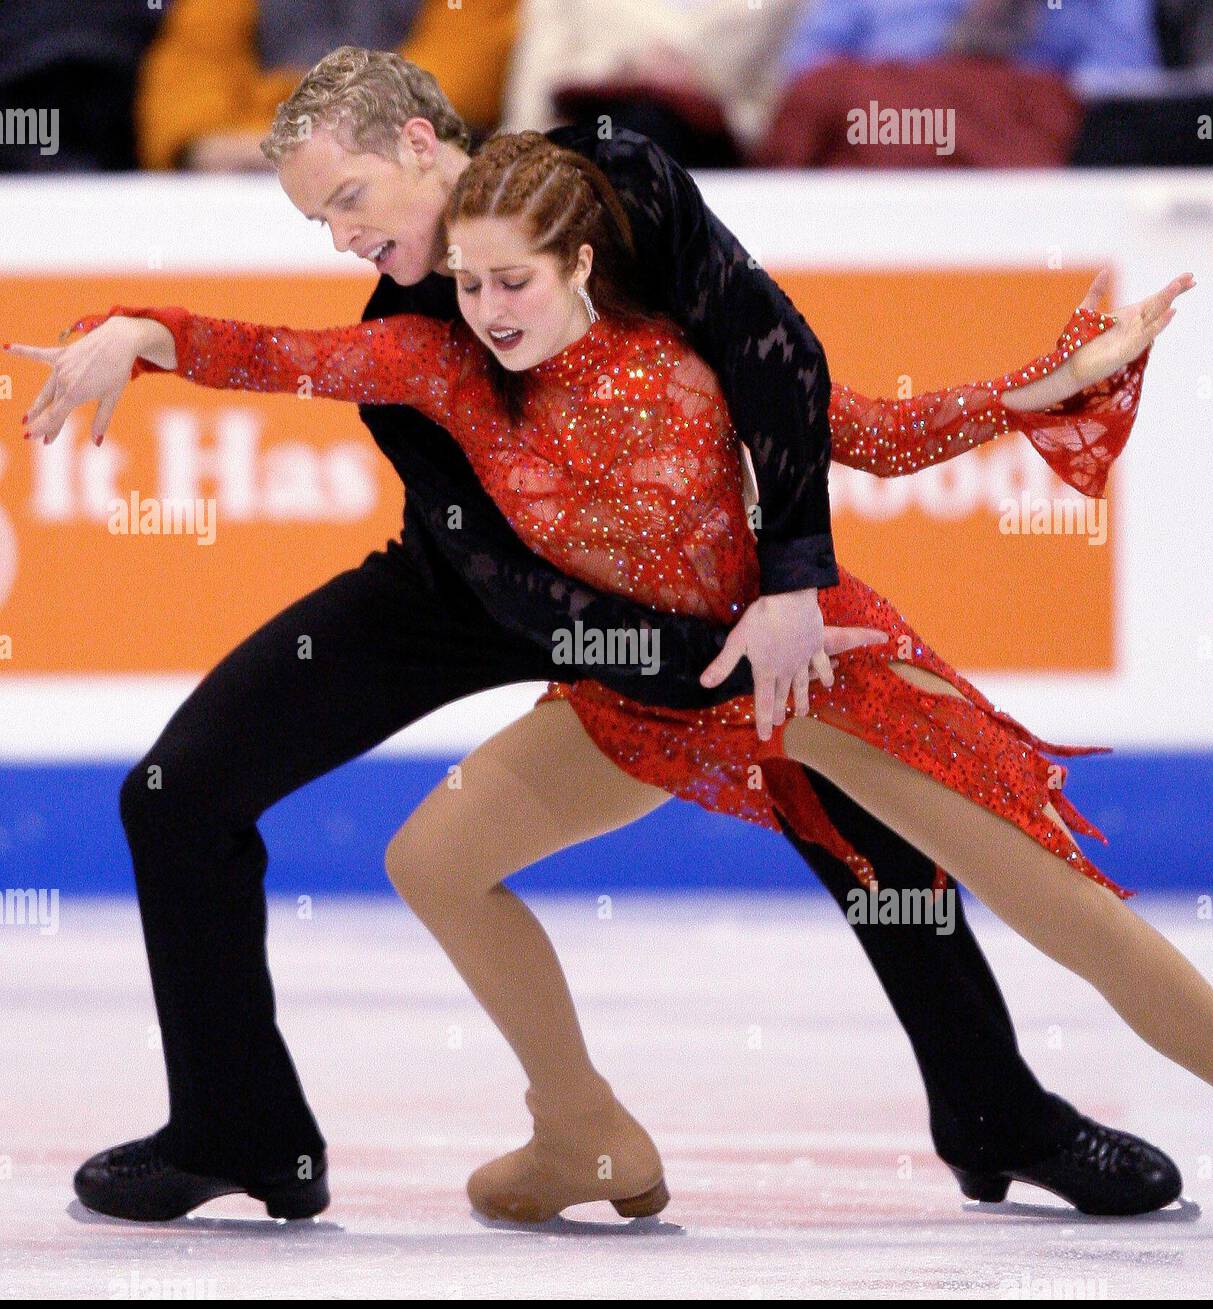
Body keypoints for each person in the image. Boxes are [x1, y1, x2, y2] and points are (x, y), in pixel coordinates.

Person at [5, 47, 1184, 1222]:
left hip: (721, 610)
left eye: (347, 201)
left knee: (875, 819)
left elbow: (796, 376)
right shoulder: (416, 350)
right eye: (318, 221)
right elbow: (293, 373)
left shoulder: (624, 193)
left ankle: (992, 1109)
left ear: (424, 145)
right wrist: (139, 330)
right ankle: (266, 1124)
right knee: (181, 792)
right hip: (484, 589)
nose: (339, 240)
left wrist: (790, 588)